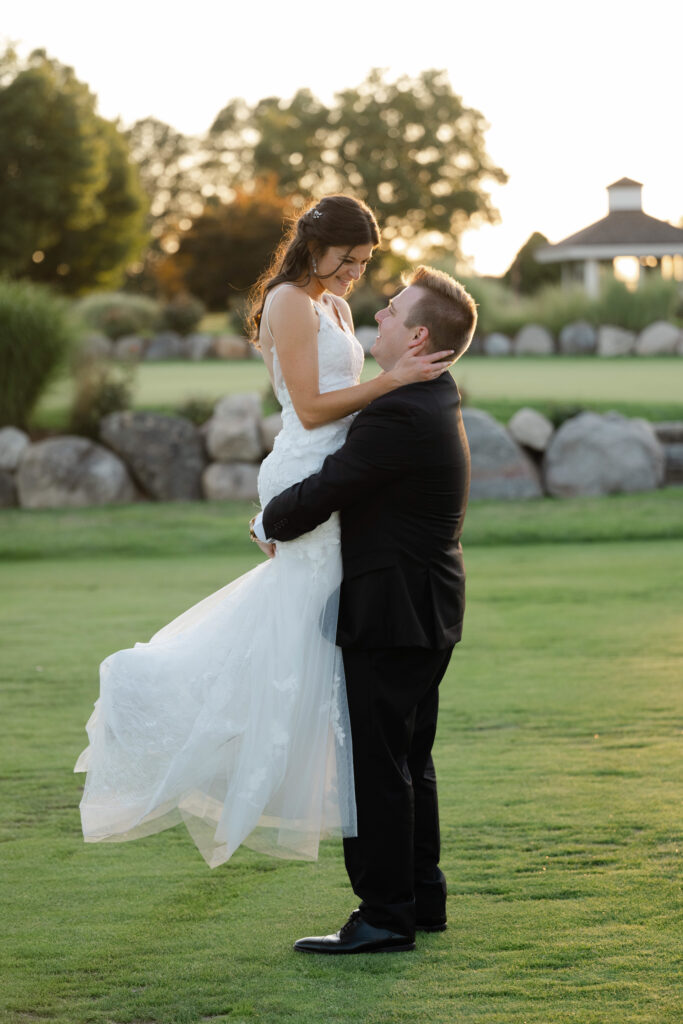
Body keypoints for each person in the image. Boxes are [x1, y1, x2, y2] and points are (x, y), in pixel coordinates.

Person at [74, 195, 453, 869]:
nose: (354, 277)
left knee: (319, 632)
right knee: (302, 627)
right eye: (347, 260)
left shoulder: (334, 309)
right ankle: (159, 694)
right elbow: (308, 410)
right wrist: (392, 382)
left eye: (365, 264)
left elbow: (344, 415)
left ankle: (368, 780)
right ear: (315, 246)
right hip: (309, 467)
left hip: (336, 472)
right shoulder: (287, 302)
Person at [254, 265, 476, 953]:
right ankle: (421, 898)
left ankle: (383, 915)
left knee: (377, 766)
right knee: (408, 757)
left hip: (392, 609)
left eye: (392, 309)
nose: (376, 313)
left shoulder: (400, 413)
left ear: (415, 335)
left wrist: (267, 521)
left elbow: (332, 486)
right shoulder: (430, 398)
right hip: (425, 605)